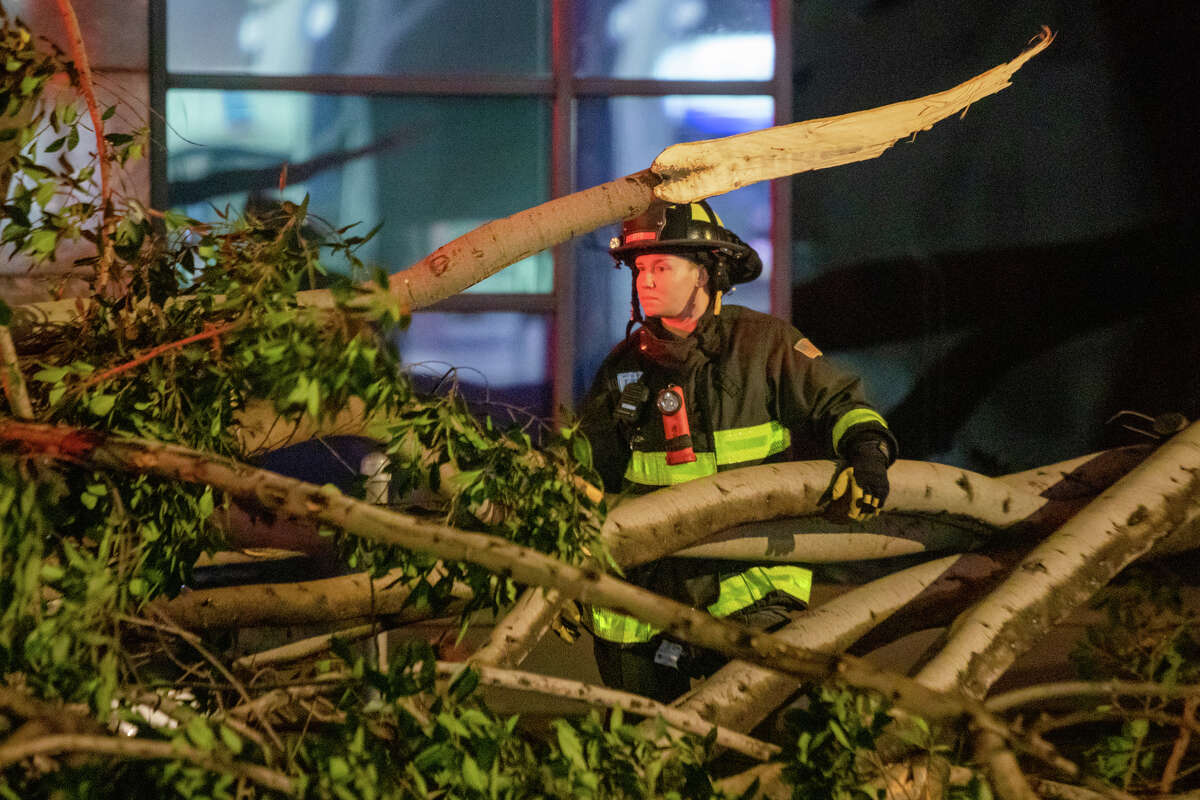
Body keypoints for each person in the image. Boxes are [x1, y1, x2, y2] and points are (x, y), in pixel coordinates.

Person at [577, 199, 897, 703]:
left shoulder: (764, 346)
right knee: (644, 759)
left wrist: (869, 456)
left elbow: (841, 403)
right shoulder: (622, 370)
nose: (646, 280)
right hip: (642, 601)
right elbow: (586, 477)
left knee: (778, 724)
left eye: (662, 266)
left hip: (747, 583)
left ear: (705, 274)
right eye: (640, 267)